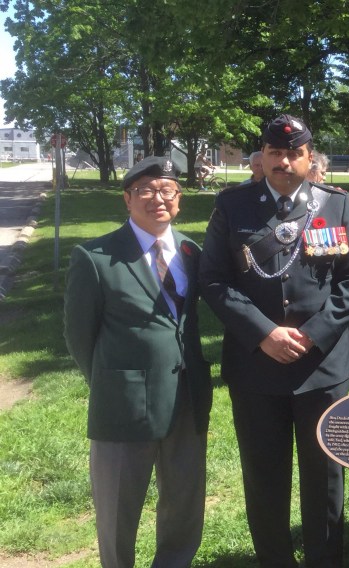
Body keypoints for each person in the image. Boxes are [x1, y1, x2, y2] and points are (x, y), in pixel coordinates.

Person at [199, 114, 349, 567]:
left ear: (308, 158)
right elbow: (214, 279)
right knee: (264, 477)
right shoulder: (232, 205)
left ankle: (324, 560)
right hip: (256, 367)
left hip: (323, 369)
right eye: (276, 153)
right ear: (263, 157)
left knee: (326, 478)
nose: (284, 161)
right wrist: (265, 333)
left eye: (294, 153)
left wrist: (313, 336)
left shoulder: (336, 203)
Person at [64, 157, 213, 568]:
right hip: (124, 403)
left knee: (184, 499)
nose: (158, 199)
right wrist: (113, 383)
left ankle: (174, 562)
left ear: (179, 200)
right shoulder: (95, 257)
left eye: (167, 190)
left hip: (187, 396)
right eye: (146, 190)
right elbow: (79, 336)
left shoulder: (191, 251)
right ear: (127, 198)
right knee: (117, 506)